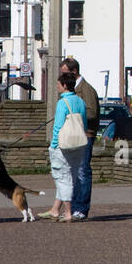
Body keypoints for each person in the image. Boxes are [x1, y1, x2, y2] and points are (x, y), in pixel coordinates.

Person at [41, 71, 86, 222]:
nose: (57, 87)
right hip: (78, 144)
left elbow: (58, 126)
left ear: (65, 85)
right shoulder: (80, 101)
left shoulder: (62, 103)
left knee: (62, 178)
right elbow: (84, 122)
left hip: (63, 145)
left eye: (58, 85)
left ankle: (67, 213)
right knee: (71, 176)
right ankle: (55, 209)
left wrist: (53, 145)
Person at [60, 57, 98, 220]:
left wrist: (73, 115)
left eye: (65, 74)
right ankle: (73, 207)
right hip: (72, 135)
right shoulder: (72, 89)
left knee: (82, 171)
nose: (61, 78)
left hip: (85, 135)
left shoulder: (86, 89)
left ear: (74, 72)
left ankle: (81, 208)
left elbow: (92, 113)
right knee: (72, 172)